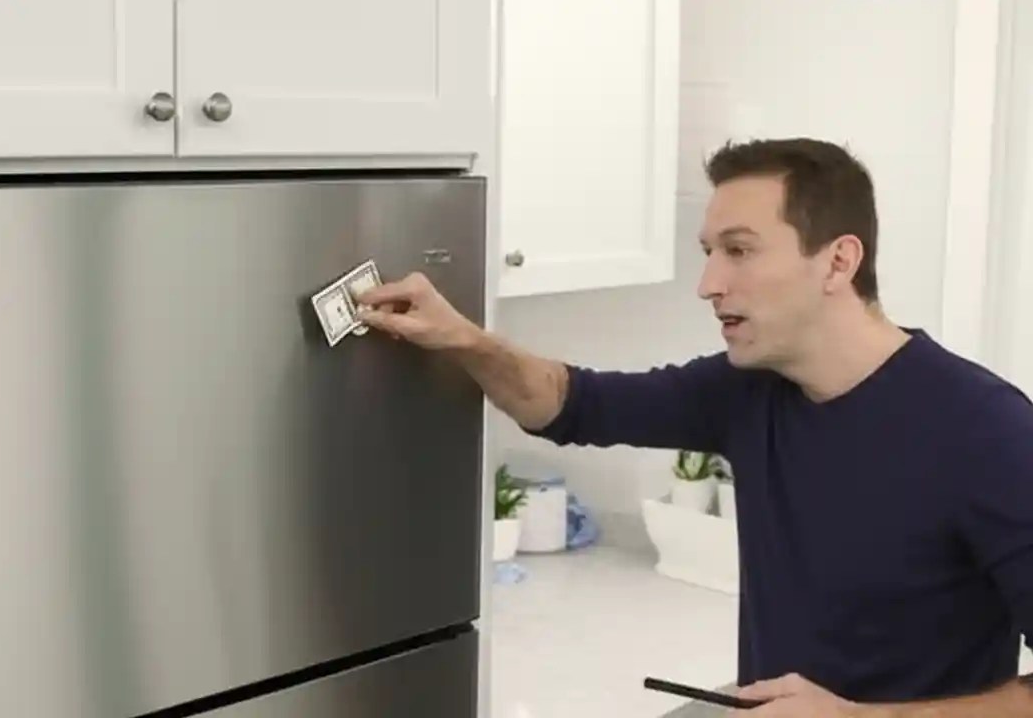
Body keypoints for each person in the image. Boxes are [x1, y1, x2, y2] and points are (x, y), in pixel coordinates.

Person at [355, 138, 1033, 716]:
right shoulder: (747, 390)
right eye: (710, 251)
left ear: (838, 261)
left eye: (739, 250)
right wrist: (461, 337)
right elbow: (567, 403)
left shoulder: (987, 432)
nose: (708, 283)